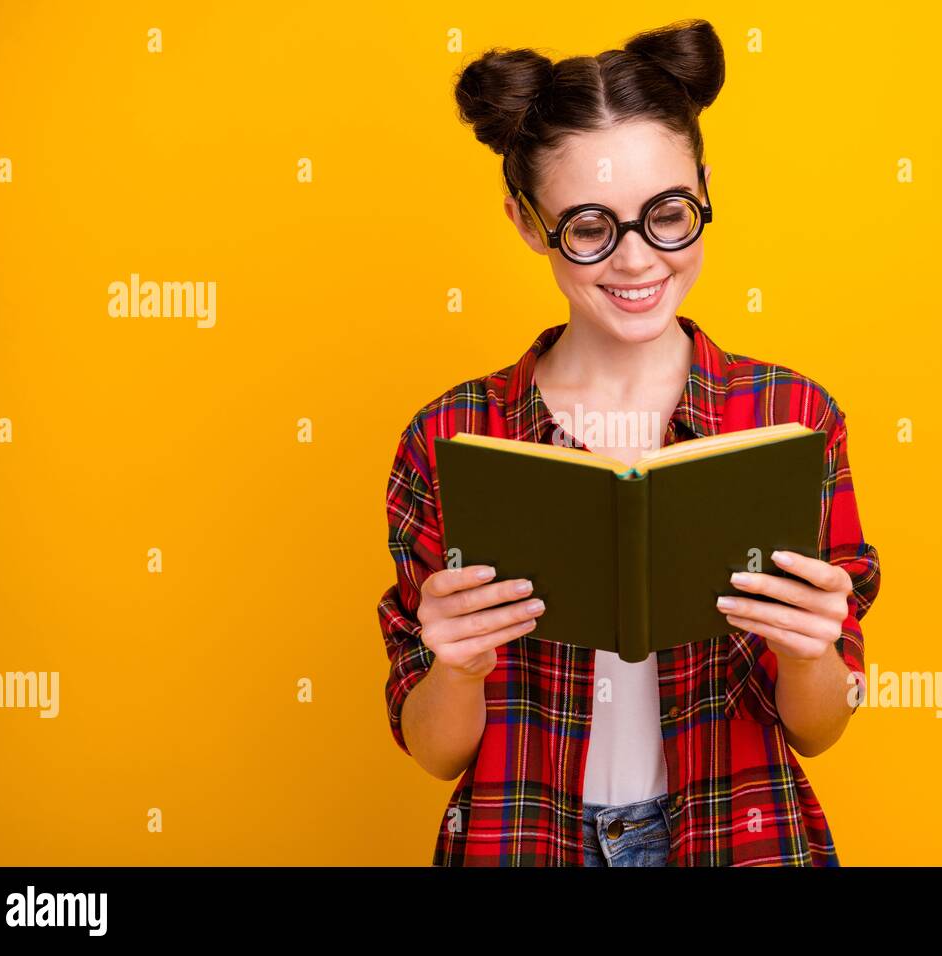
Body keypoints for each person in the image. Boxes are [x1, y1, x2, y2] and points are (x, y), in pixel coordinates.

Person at [377, 18, 882, 866]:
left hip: (737, 837)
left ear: (706, 191)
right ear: (528, 222)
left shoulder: (792, 416)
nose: (639, 259)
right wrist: (455, 666)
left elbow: (821, 728)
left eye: (668, 215)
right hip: (524, 841)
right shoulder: (450, 437)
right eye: (588, 227)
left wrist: (813, 650)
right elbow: (438, 753)